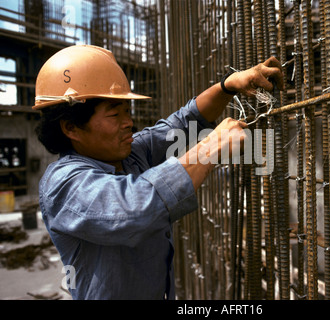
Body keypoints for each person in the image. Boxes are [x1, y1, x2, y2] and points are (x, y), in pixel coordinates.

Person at [34, 44, 283, 300]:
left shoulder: (130, 153)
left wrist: (227, 87)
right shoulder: (63, 184)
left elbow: (183, 123)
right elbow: (133, 209)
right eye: (114, 114)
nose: (128, 122)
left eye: (127, 111)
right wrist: (212, 147)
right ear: (71, 128)